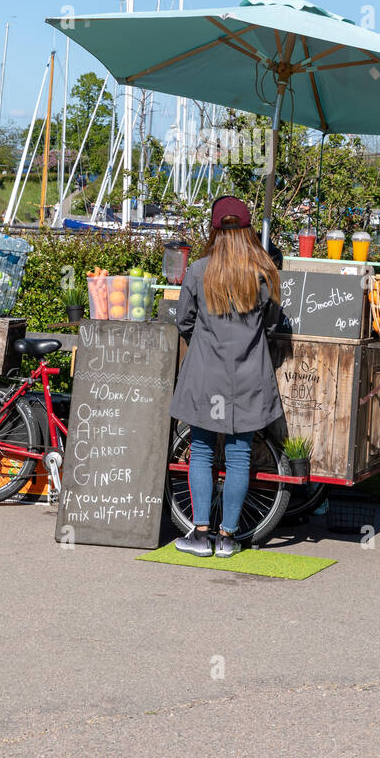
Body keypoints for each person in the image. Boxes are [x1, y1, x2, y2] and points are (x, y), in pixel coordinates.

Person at [170, 195, 283, 557]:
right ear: (248, 230)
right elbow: (271, 323)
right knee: (239, 457)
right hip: (249, 375)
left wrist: (203, 342)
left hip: (206, 375)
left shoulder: (198, 270)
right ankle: (229, 538)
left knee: (201, 450)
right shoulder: (263, 271)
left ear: (214, 232)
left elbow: (183, 320)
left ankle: (200, 535)